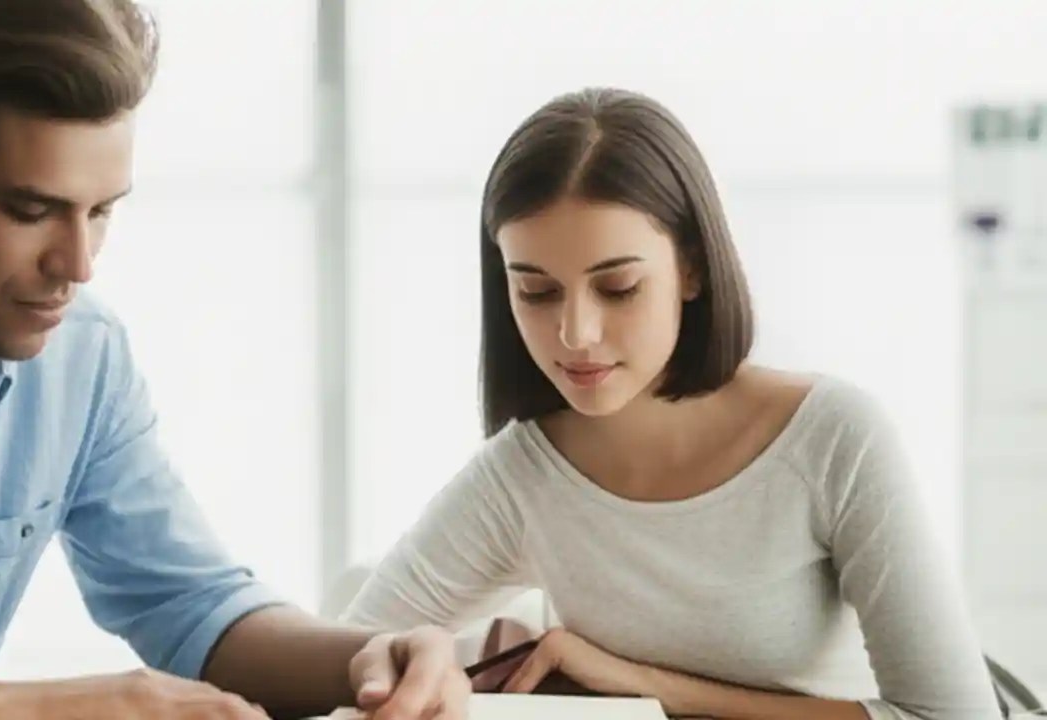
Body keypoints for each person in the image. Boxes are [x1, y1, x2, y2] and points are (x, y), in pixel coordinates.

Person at [0, 2, 468, 718]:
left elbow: (194, 606)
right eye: (30, 211)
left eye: (100, 211)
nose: (77, 265)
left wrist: (370, 657)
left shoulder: (80, 356)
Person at [340, 88, 1001, 720]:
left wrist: (652, 688)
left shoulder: (832, 440)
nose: (576, 334)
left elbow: (952, 715)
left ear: (691, 268)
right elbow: (346, 654)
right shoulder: (522, 477)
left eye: (619, 288)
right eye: (536, 293)